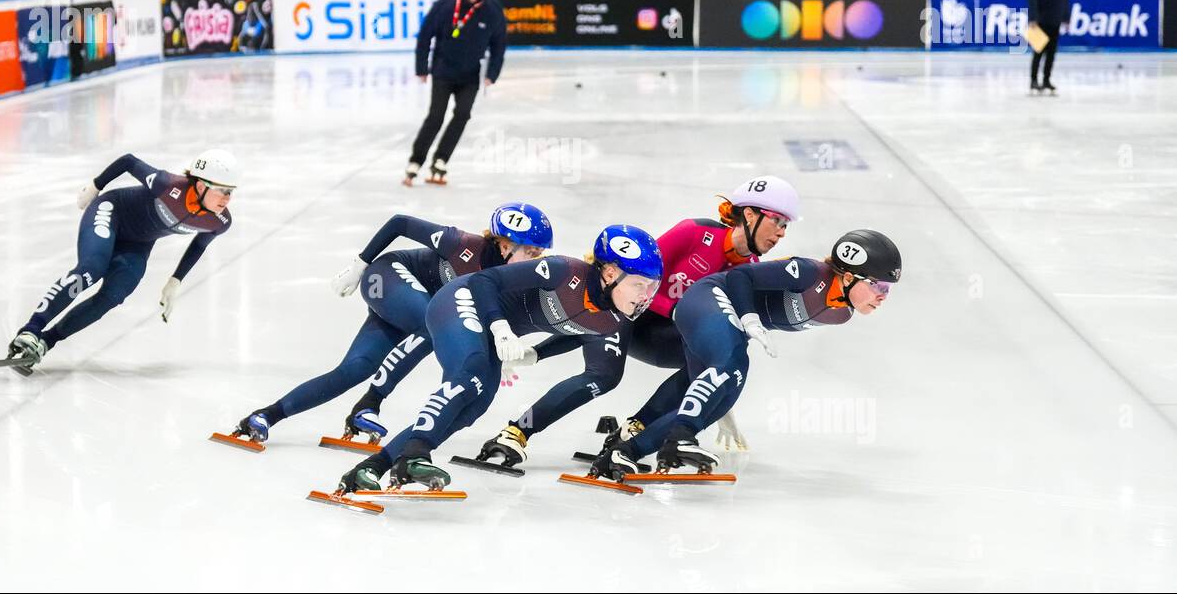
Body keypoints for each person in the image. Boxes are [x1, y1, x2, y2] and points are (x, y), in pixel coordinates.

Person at [480, 176, 800, 468]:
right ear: (750, 215)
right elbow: (630, 272)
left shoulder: (748, 273)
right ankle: (516, 433)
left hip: (663, 338)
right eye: (778, 221)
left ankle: (633, 431)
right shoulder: (695, 233)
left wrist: (718, 396)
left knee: (710, 354)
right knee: (603, 376)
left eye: (786, 225)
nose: (782, 232)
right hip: (624, 316)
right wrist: (677, 308)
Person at [336, 225, 663, 494]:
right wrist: (501, 328)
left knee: (472, 408)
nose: (646, 295)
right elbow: (483, 281)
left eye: (652, 286)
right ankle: (414, 454)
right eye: (639, 284)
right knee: (469, 375)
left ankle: (371, 467)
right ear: (608, 273)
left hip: (488, 327)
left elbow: (581, 329)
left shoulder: (617, 317)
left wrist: (536, 353)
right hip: (460, 300)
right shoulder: (563, 271)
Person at [220, 204, 554, 448]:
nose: (538, 258)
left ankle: (264, 415)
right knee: (431, 326)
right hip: (389, 276)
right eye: (532, 250)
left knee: (355, 368)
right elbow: (400, 222)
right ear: (505, 244)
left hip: (413, 303)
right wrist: (358, 265)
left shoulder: (514, 277)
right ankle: (371, 402)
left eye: (541, 252)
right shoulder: (461, 244)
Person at [590, 230, 901, 480]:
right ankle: (679, 437)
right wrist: (750, 317)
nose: (883, 296)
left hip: (728, 323)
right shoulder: (809, 273)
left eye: (889, 289)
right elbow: (741, 278)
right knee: (733, 362)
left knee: (720, 400)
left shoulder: (841, 314)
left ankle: (626, 451)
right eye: (879, 286)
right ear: (848, 276)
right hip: (708, 296)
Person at [0, 151, 238, 375]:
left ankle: (44, 343)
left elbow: (199, 245)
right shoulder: (168, 185)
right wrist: (95, 186)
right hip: (111, 212)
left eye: (231, 192)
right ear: (200, 185)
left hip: (138, 244)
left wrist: (175, 281)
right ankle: (31, 330)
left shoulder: (219, 221)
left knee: (114, 295)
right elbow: (129, 162)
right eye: (222, 191)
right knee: (91, 270)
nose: (227, 199)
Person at [404, 0, 506, 186]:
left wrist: (493, 73)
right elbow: (424, 36)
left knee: (462, 114)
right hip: (443, 71)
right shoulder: (445, 5)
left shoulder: (492, 9)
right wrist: (422, 68)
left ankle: (441, 159)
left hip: (470, 75)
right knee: (435, 117)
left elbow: (499, 44)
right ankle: (416, 160)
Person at [1027, 0, 1069, 94]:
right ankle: (1033, 80)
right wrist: (1032, 18)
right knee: (1038, 52)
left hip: (1055, 22)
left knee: (1051, 54)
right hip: (1040, 22)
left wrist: (1066, 18)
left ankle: (1046, 80)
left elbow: (1065, 0)